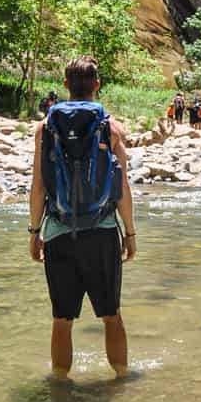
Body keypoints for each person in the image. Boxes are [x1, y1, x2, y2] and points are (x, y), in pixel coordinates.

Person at [29, 55, 136, 381]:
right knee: (111, 315)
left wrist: (34, 231)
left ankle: (60, 385)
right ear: (97, 86)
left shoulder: (45, 127)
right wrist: (130, 234)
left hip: (60, 233)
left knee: (62, 319)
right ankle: (120, 380)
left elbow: (38, 187)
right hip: (102, 233)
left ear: (65, 85)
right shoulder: (112, 127)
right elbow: (122, 188)